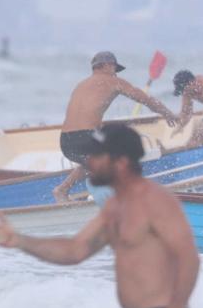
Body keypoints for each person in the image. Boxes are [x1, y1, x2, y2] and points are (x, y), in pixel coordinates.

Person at [0, 124, 199, 308]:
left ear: (121, 163)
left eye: (97, 156)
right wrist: (20, 241)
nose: (89, 161)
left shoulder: (155, 201)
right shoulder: (115, 207)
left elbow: (188, 258)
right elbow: (75, 250)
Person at [52, 51, 179, 203]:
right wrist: (166, 112)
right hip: (86, 136)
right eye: (114, 68)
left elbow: (85, 115)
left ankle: (63, 189)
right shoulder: (113, 81)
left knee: (92, 161)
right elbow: (144, 99)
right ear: (106, 65)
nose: (116, 73)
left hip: (66, 141)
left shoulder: (81, 85)